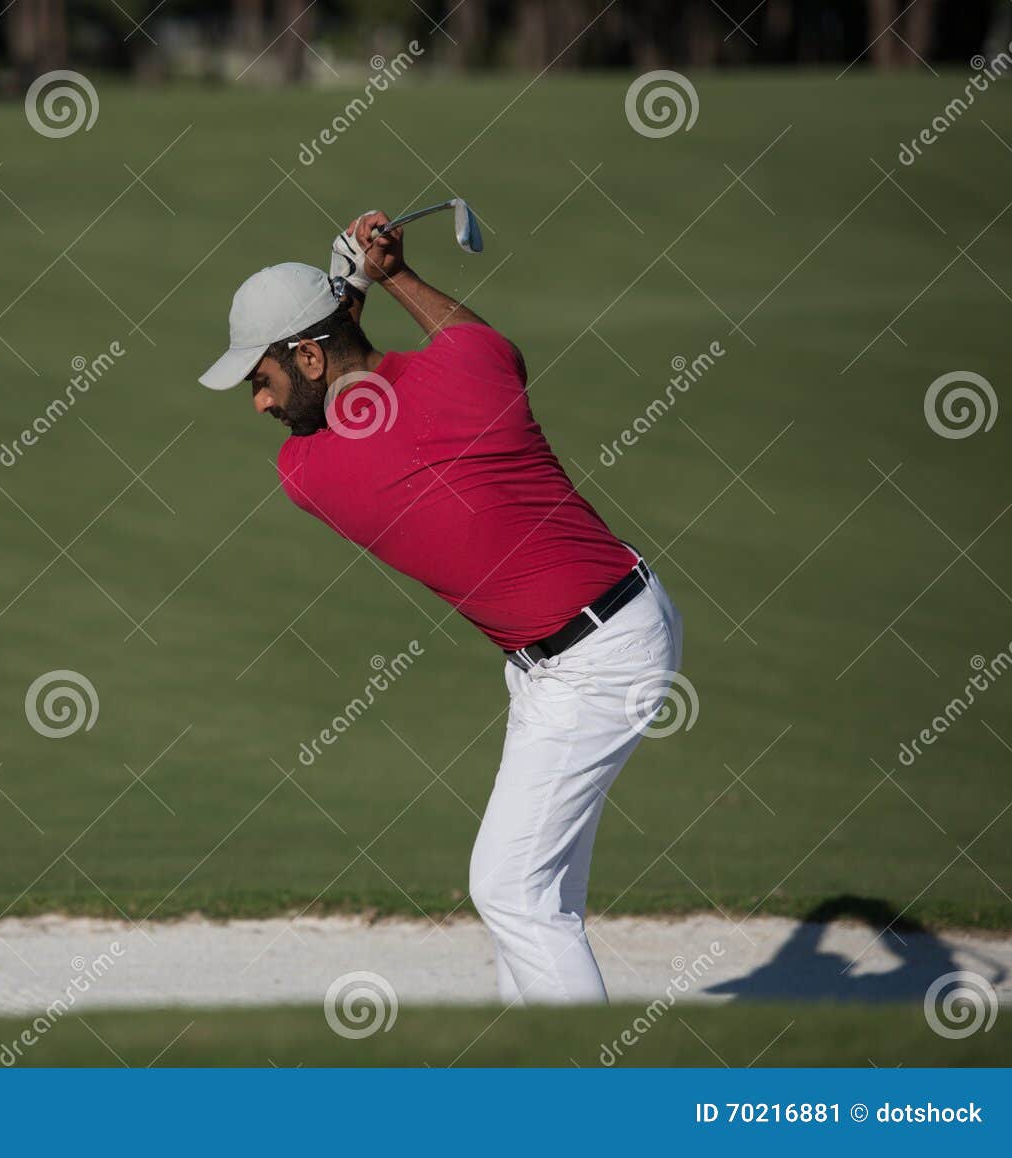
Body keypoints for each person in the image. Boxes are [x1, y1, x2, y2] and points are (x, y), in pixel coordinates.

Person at [198, 211, 684, 1004]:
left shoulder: (310, 471)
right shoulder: (475, 372)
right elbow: (478, 342)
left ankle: (601, 1109)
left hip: (596, 663)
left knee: (509, 891)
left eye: (261, 377)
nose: (257, 402)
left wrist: (353, 288)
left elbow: (357, 400)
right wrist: (391, 276)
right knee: (539, 898)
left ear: (311, 354)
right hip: (600, 633)